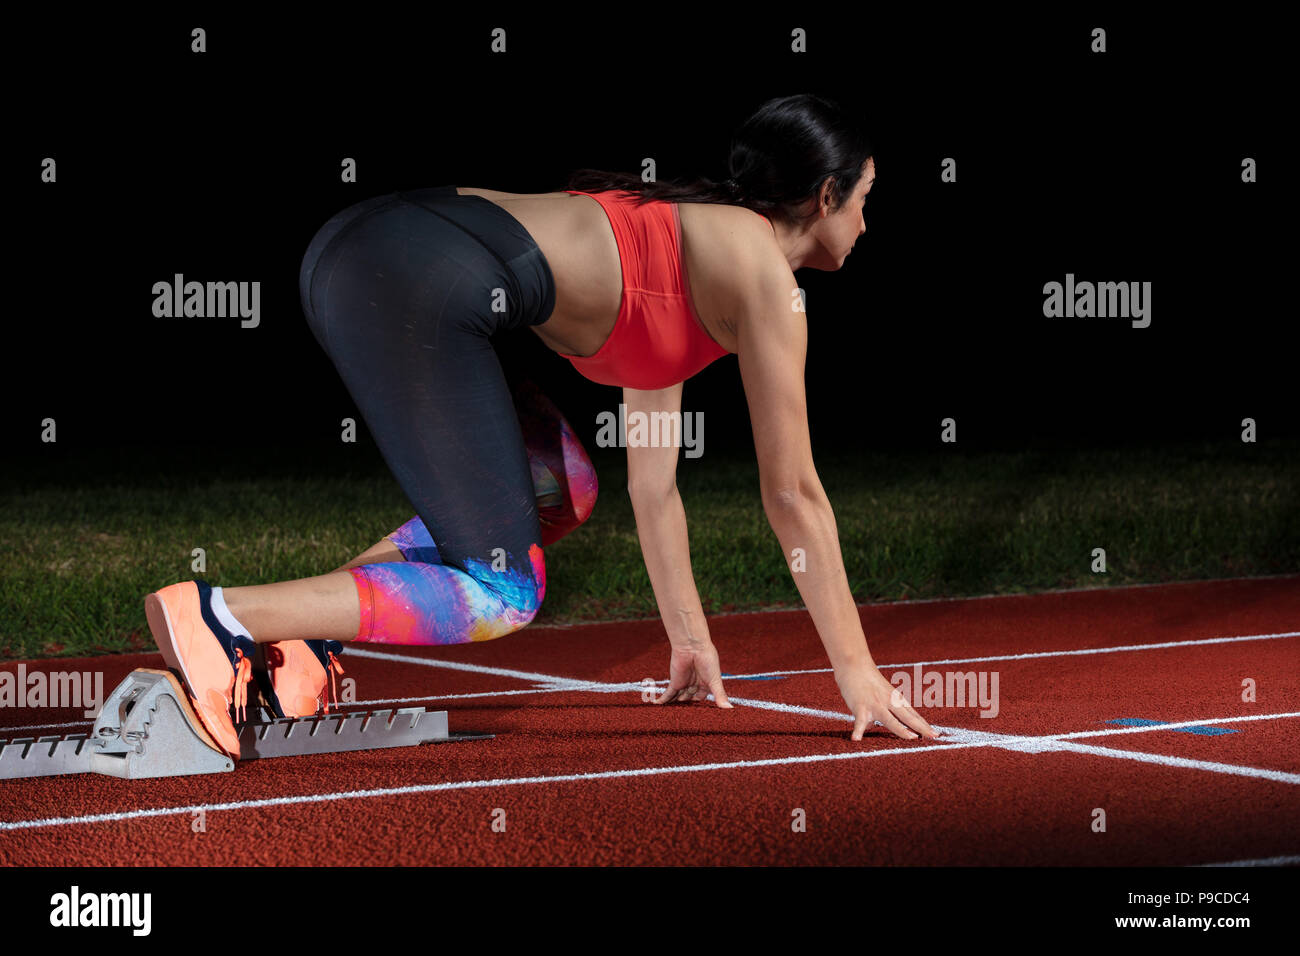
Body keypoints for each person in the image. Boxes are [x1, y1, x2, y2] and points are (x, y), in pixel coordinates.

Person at [144, 93, 939, 759]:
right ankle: (225, 616)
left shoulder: (702, 248)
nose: (867, 224)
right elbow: (794, 494)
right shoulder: (764, 276)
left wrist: (691, 638)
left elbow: (653, 487)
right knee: (503, 592)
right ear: (825, 195)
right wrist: (858, 671)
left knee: (565, 489)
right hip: (411, 275)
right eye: (866, 199)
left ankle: (306, 641)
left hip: (372, 252)